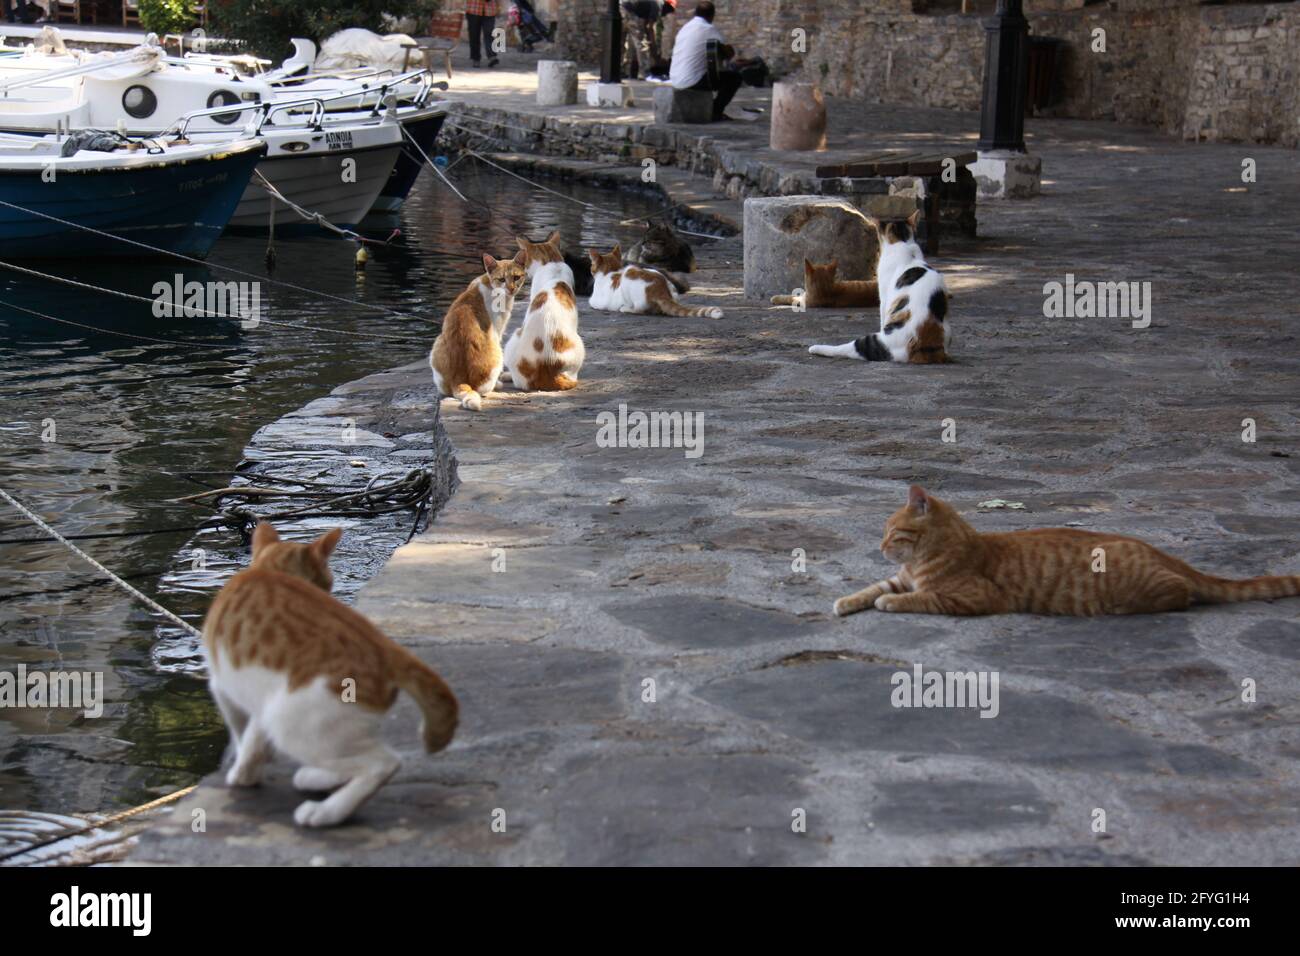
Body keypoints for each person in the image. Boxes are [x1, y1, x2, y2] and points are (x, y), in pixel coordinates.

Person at [668, 1, 742, 121]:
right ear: (711, 16)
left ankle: (709, 109)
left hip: (676, 79)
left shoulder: (684, 29)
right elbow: (729, 53)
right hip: (693, 81)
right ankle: (715, 111)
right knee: (734, 78)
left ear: (695, 13)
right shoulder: (708, 28)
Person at [620, 0, 660, 81]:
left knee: (621, 42)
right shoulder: (655, 6)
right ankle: (644, 72)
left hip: (622, 10)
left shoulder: (652, 4)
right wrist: (653, 48)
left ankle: (623, 71)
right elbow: (650, 28)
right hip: (633, 15)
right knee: (641, 44)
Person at [465, 0, 501, 69]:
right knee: (474, 35)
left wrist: (499, 7)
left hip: (490, 10)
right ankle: (476, 58)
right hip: (474, 9)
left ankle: (492, 57)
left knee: (489, 33)